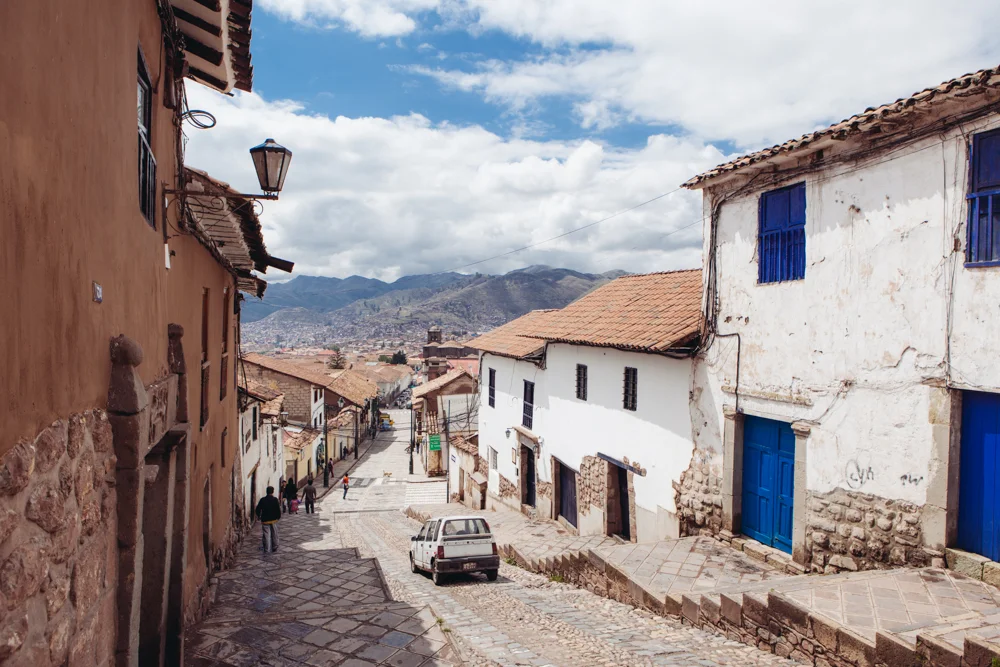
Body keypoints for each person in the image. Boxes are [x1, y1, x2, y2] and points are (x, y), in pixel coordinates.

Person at [255, 486, 281, 554]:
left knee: (266, 535)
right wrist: (278, 517)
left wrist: (259, 516)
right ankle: (274, 547)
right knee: (274, 534)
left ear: (266, 491)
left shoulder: (262, 500)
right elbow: (278, 510)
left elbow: (258, 509)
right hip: (274, 520)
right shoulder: (275, 500)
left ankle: (267, 549)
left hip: (265, 520)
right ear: (272, 491)